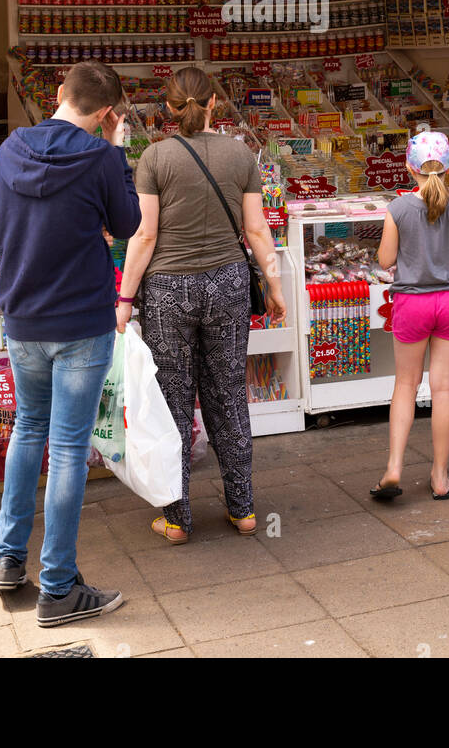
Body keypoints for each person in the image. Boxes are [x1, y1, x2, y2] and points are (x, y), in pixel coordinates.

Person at [0, 61, 140, 625]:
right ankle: (57, 587)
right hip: (81, 319)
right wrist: (118, 152)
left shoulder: (10, 151)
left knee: (29, 429)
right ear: (106, 116)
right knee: (70, 449)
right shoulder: (102, 156)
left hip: (24, 316)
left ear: (59, 94)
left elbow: (2, 211)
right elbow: (125, 223)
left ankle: (8, 559)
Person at [118, 66, 287, 543]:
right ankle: (245, 509)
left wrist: (125, 300)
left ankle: (177, 517)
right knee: (228, 391)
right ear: (215, 103)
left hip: (169, 288)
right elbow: (257, 232)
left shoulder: (153, 158)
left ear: (167, 110)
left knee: (172, 397)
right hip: (229, 284)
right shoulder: (241, 155)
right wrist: (275, 288)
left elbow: (145, 234)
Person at [371, 131, 449, 502]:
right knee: (444, 389)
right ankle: (439, 476)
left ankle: (394, 467)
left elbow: (386, 260)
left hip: (413, 304)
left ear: (408, 167)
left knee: (405, 385)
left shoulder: (398, 208)